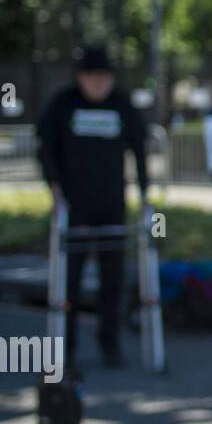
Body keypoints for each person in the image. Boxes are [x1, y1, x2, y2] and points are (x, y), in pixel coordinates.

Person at [36, 46, 149, 368]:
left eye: (104, 77)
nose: (99, 84)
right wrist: (55, 191)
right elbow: (46, 149)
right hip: (74, 207)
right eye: (92, 77)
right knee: (68, 280)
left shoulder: (121, 104)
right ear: (80, 78)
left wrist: (145, 194)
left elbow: (139, 147)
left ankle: (110, 344)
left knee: (112, 281)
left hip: (112, 205)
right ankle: (65, 348)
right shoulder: (63, 104)